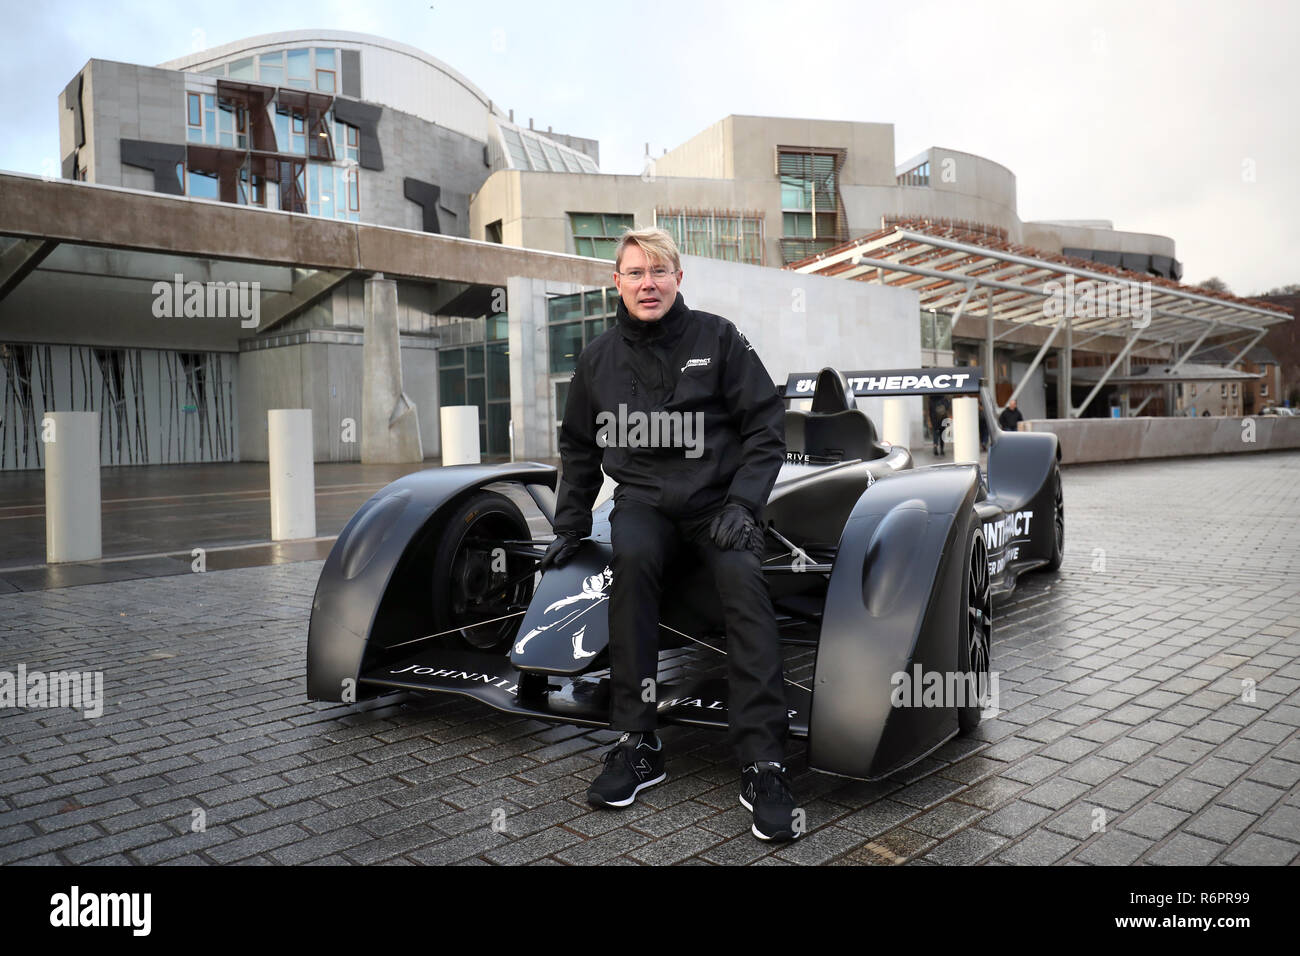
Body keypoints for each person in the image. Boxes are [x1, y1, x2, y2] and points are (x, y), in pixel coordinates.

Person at [542, 227, 801, 842]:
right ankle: (638, 742)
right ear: (618, 282)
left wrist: (744, 502)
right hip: (643, 504)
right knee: (630, 563)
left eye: (659, 272)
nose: (647, 284)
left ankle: (763, 761)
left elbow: (766, 425)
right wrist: (573, 522)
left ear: (678, 278)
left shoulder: (719, 338)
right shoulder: (598, 357)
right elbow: (579, 448)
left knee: (744, 581)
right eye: (635, 273)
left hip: (718, 506)